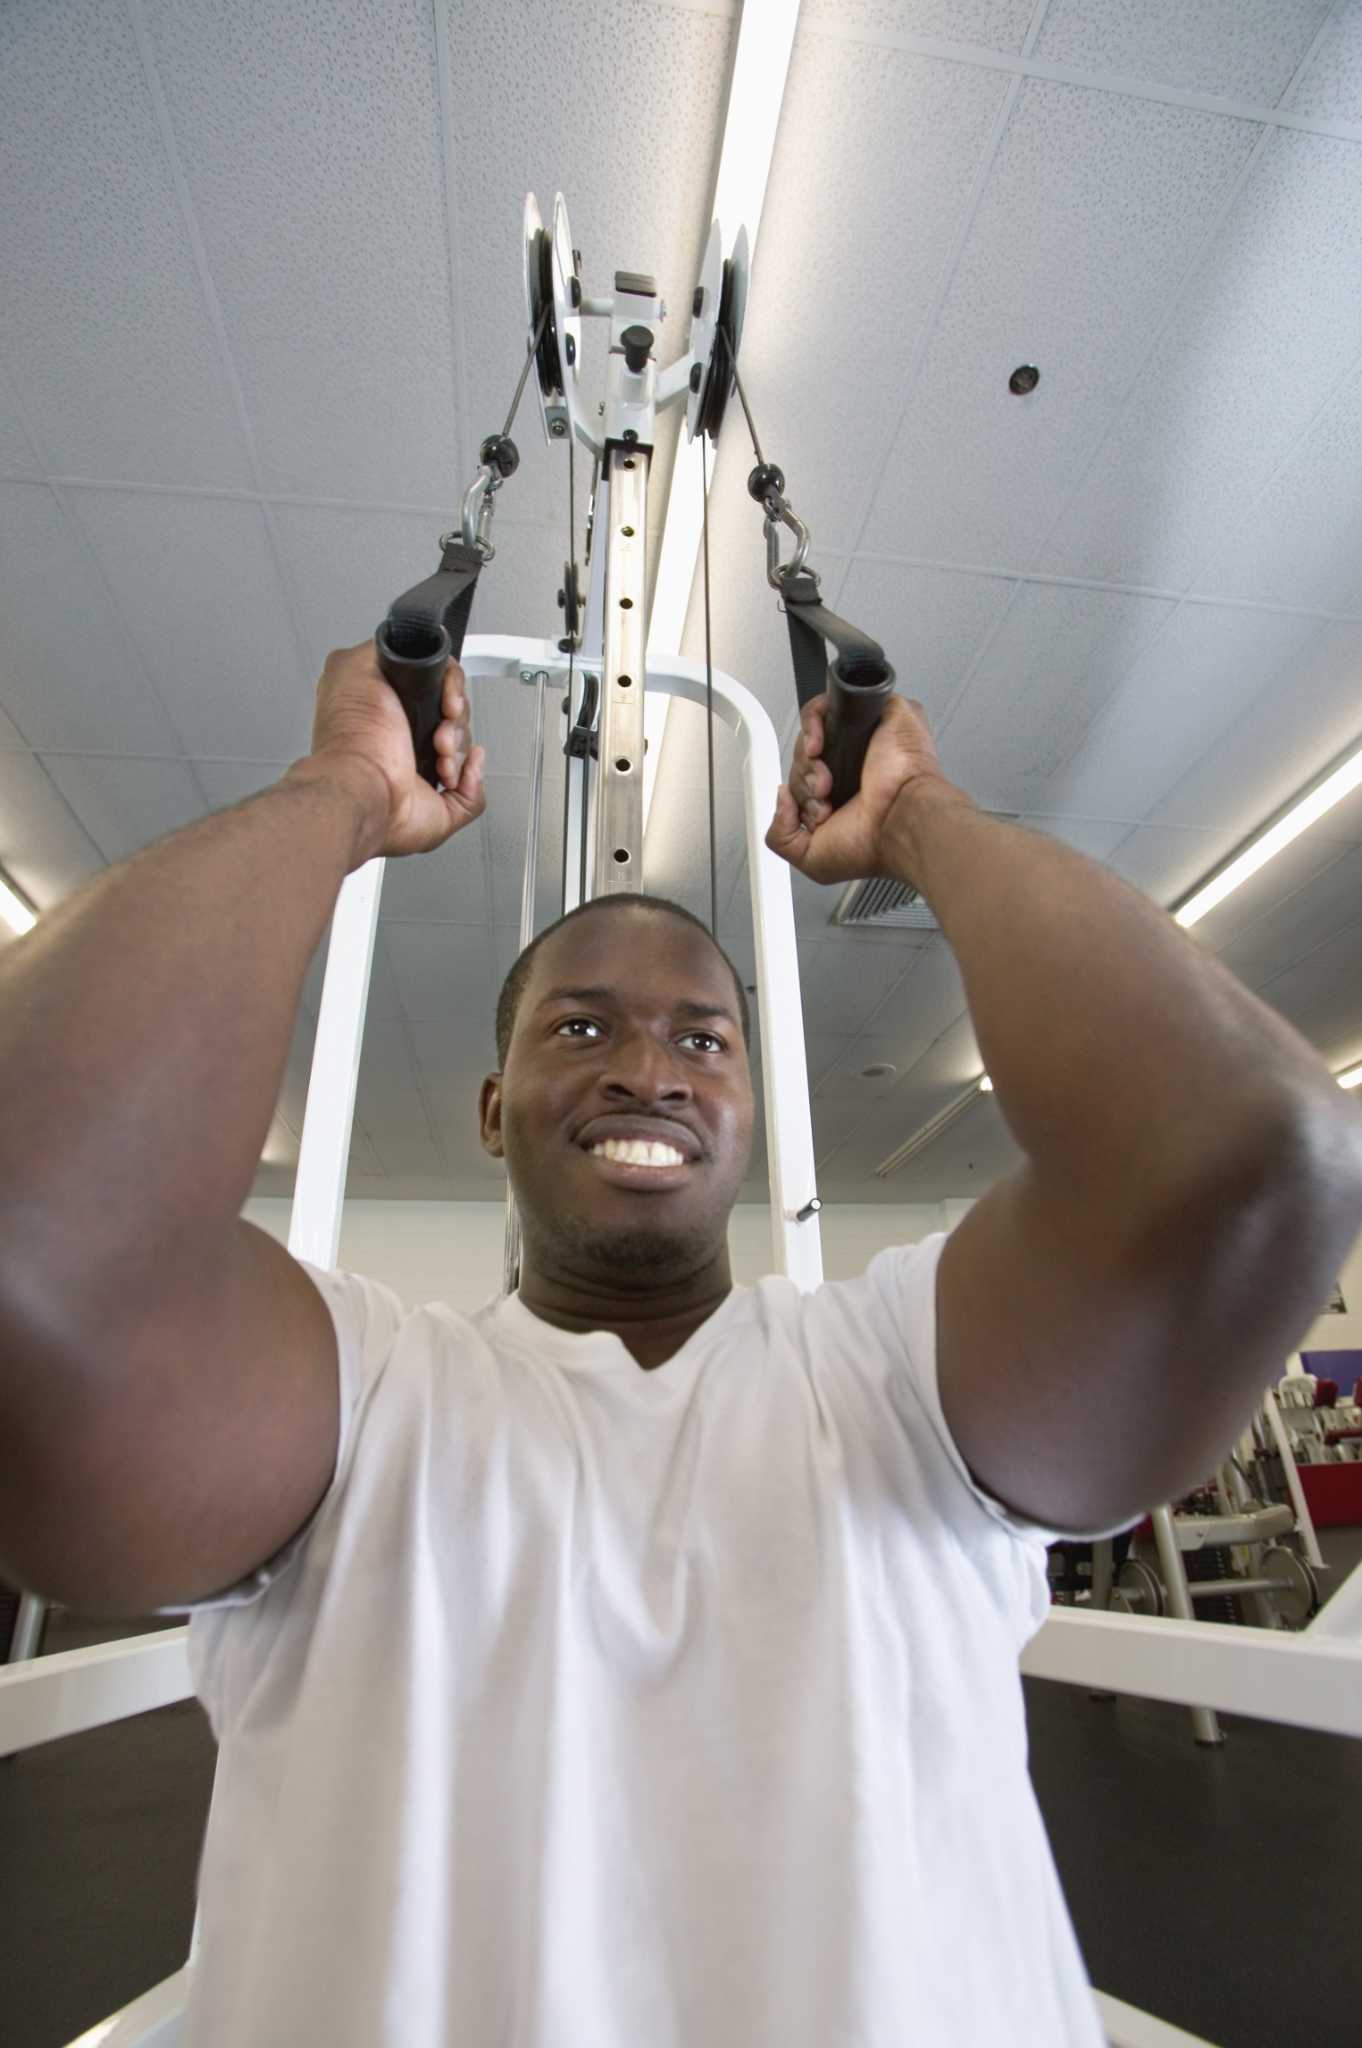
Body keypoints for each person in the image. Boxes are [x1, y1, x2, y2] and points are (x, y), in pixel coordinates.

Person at [1, 640, 1359, 2047]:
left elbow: (1253, 1154)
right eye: (580, 1027)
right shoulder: (360, 1406)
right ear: (489, 1109)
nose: (646, 1068)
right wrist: (340, 788)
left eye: (703, 1041)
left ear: (750, 1113)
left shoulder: (901, 1382)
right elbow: (35, 1235)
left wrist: (916, 819)